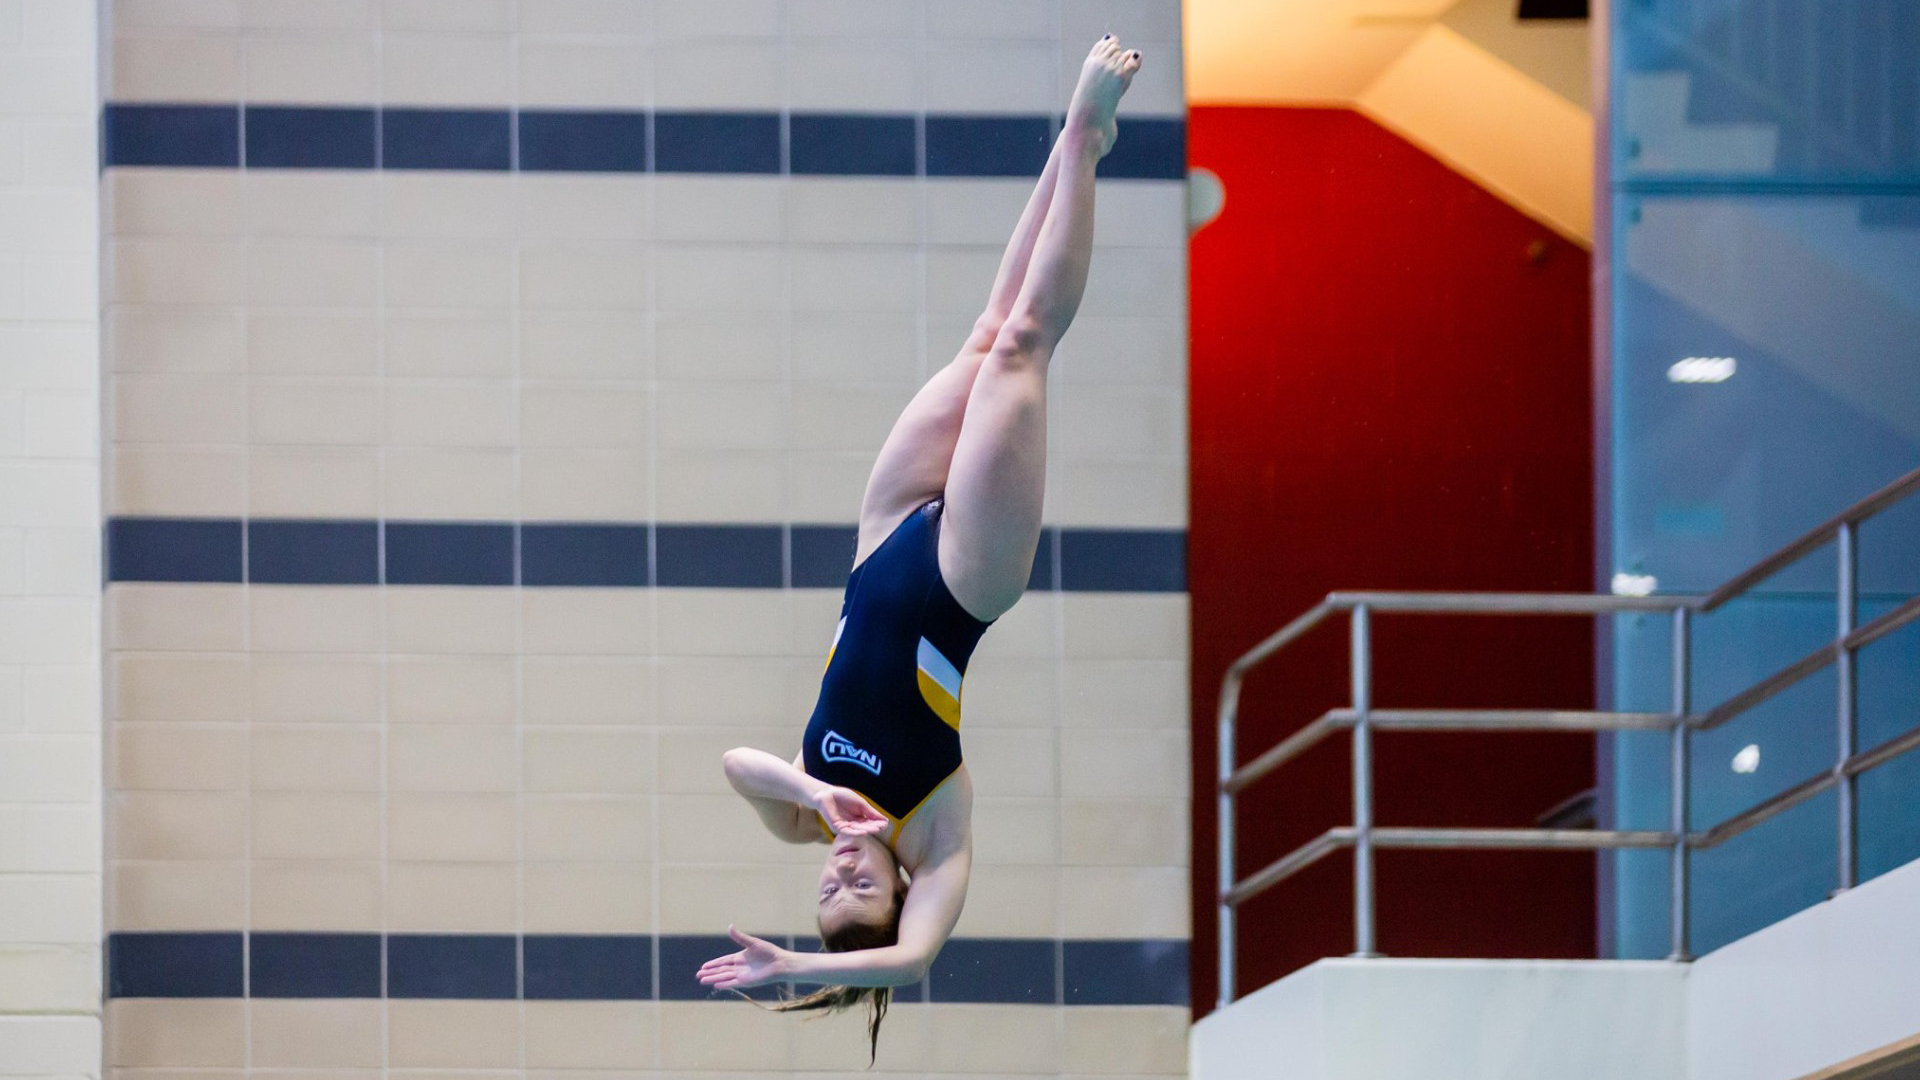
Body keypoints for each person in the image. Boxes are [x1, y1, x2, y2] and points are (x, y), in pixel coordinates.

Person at [697, 35, 1142, 1059]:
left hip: (884, 533)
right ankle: (1082, 131)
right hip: (964, 579)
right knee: (1028, 342)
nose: (839, 872)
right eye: (859, 889)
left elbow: (735, 764)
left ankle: (1084, 141)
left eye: (827, 889)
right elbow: (911, 963)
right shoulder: (936, 842)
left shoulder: (811, 810)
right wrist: (801, 970)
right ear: (899, 890)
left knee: (986, 331)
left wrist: (810, 794)